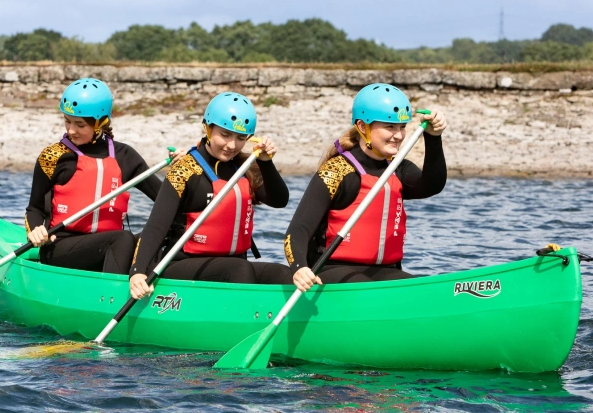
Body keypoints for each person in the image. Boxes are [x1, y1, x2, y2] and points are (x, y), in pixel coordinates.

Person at [284, 83, 447, 291]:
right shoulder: (336, 171)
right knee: (365, 287)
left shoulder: (398, 169)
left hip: (384, 271)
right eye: (390, 127)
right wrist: (299, 268)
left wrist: (433, 138)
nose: (398, 135)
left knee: (417, 289)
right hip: (333, 271)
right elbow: (297, 230)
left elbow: (432, 186)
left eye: (402, 127)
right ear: (363, 127)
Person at [129, 92, 291, 299]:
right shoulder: (185, 170)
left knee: (283, 274)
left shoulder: (244, 168)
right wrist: (137, 273)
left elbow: (280, 201)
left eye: (241, 138)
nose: (232, 145)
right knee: (238, 270)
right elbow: (155, 226)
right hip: (180, 264)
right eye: (225, 135)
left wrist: (267, 162)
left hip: (231, 266)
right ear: (208, 128)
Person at [25, 78, 177, 275]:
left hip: (112, 248)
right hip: (61, 247)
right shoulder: (53, 157)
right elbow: (34, 208)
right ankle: (112, 299)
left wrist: (183, 166)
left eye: (80, 125)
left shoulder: (125, 156)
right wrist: (35, 230)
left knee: (163, 234)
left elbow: (167, 201)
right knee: (123, 238)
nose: (71, 130)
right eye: (67, 121)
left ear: (100, 123)